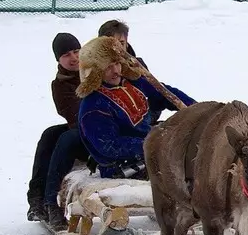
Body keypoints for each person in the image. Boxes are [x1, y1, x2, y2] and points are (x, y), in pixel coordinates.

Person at [72, 36, 195, 188]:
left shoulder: (131, 82)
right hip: (123, 165)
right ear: (95, 72)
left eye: (117, 63)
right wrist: (153, 143)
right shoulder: (93, 106)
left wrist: (196, 109)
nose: (116, 71)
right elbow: (110, 146)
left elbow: (165, 93)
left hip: (150, 145)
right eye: (108, 67)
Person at [27, 32, 86, 223]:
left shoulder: (97, 71)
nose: (73, 58)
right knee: (50, 135)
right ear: (58, 59)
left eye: (76, 51)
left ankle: (50, 199)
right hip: (83, 125)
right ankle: (38, 198)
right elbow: (72, 114)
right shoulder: (61, 84)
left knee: (63, 138)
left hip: (98, 128)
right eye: (66, 54)